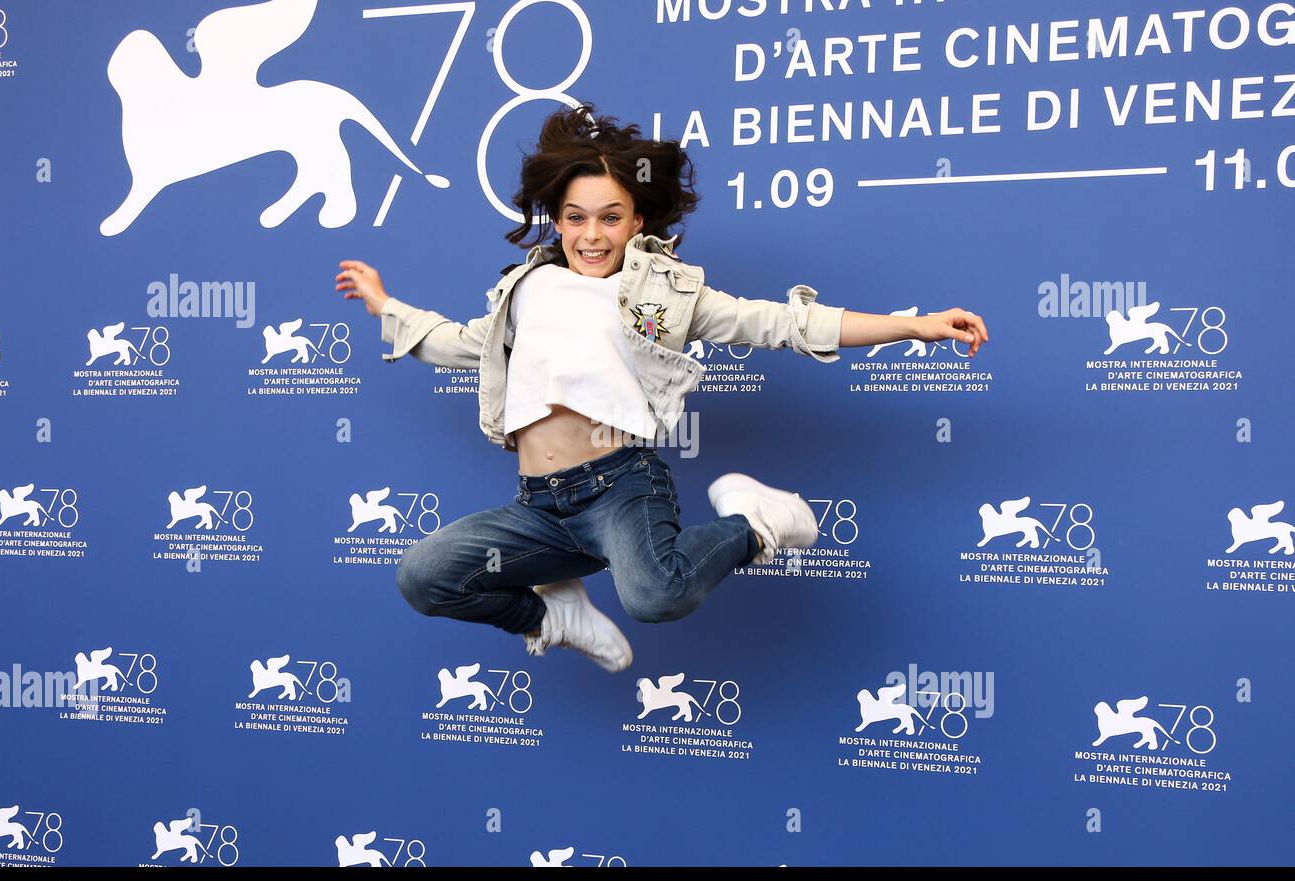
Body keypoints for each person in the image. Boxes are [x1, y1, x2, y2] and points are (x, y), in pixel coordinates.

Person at [336, 104, 988, 673]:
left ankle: (761, 521)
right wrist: (386, 305)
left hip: (620, 488)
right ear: (557, 221)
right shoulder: (526, 289)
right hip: (538, 506)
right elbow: (462, 344)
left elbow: (783, 323)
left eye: (610, 218)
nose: (591, 235)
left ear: (637, 219)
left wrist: (916, 326)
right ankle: (552, 616)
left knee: (657, 597)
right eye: (575, 217)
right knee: (425, 577)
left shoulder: (665, 294)